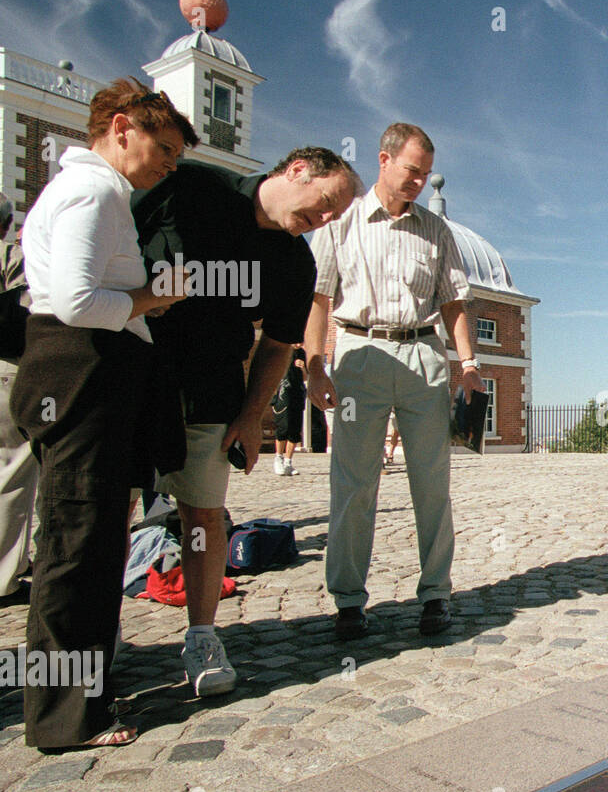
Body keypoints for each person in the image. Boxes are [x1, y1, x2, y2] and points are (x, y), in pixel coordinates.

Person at [12, 79, 196, 749]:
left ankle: (81, 698)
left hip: (89, 375)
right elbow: (74, 299)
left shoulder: (95, 192)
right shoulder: (92, 191)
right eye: (164, 150)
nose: (166, 167)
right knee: (74, 547)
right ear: (122, 127)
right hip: (81, 371)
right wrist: (152, 298)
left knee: (87, 544)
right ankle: (63, 718)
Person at [133, 146, 357, 696]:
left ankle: (203, 636)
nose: (324, 220)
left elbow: (279, 345)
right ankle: (98, 634)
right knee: (107, 508)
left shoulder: (294, 261)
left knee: (205, 518)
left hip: (211, 392)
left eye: (335, 216)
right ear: (297, 170)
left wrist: (251, 417)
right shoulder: (189, 186)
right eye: (325, 203)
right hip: (132, 374)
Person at [304, 123, 485, 639]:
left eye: (426, 176)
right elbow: (318, 298)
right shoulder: (340, 224)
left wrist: (467, 363)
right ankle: (347, 602)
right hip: (359, 352)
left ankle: (435, 595)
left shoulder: (436, 229)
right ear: (383, 160)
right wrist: (315, 363)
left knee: (432, 485)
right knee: (355, 484)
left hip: (423, 354)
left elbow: (453, 301)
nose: (419, 184)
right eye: (411, 171)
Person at [0, 192, 38, 609]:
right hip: (8, 368)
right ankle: (4, 578)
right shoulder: (13, 255)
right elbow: (29, 310)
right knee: (11, 476)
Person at [272, 346, 307, 475]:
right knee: (283, 427)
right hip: (283, 393)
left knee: (295, 428)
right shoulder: (283, 349)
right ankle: (278, 458)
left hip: (297, 393)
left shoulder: (301, 353)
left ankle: (288, 462)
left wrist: (302, 367)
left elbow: (305, 378)